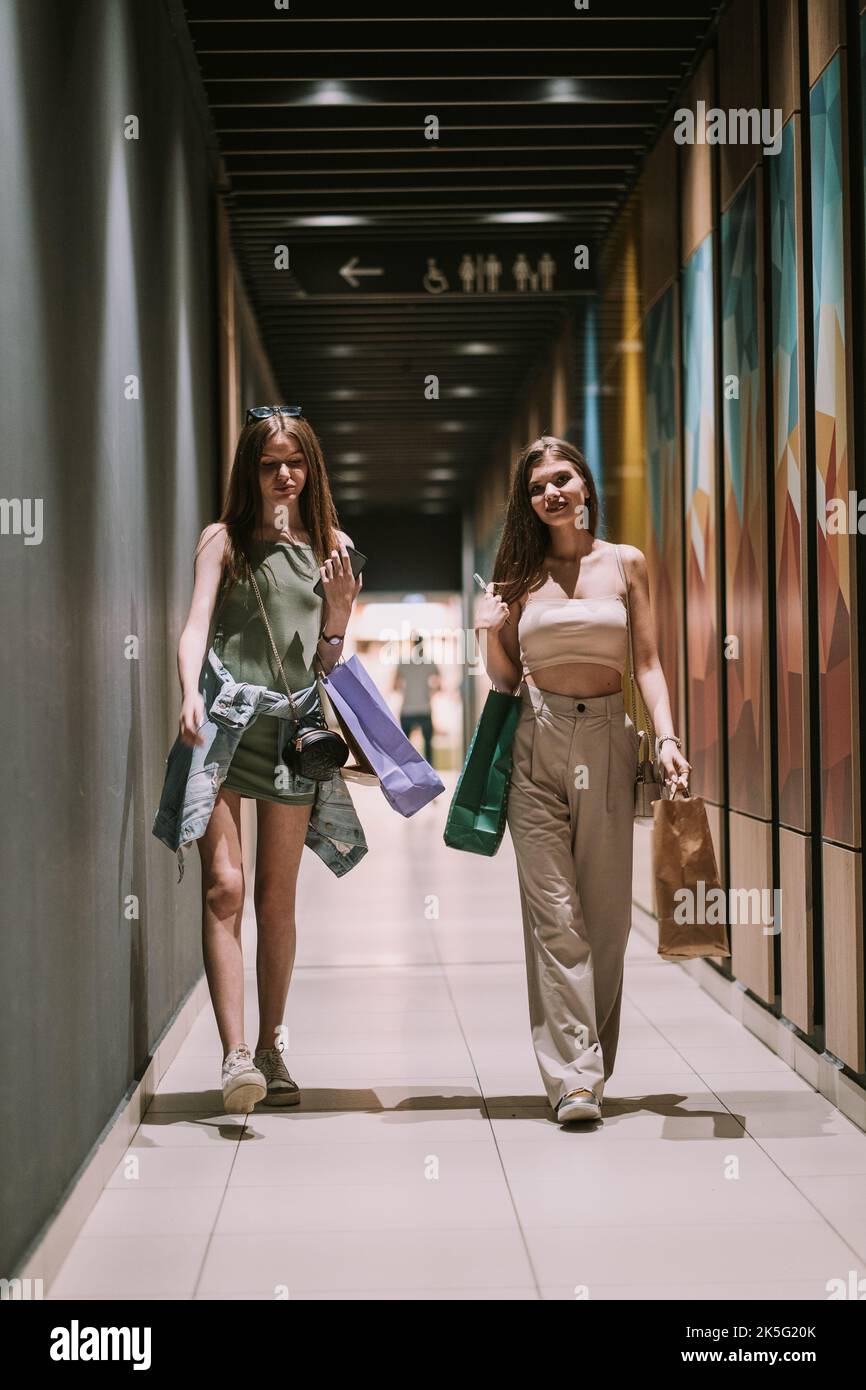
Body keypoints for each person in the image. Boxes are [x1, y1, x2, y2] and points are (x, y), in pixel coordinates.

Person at [474, 436, 690, 1126]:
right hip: (535, 742)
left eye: (562, 479)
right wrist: (487, 632)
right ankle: (575, 1079)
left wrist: (668, 737)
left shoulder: (625, 563)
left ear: (585, 484)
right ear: (529, 502)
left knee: (606, 919)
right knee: (555, 919)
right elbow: (506, 680)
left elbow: (649, 664)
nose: (552, 494)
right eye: (539, 487)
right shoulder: (518, 572)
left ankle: (587, 1057)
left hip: (607, 738)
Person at [154, 407, 363, 1114]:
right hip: (220, 727)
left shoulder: (334, 546)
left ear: (311, 469)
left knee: (277, 899)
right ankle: (234, 1054)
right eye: (270, 462)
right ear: (251, 468)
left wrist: (338, 611)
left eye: (294, 461)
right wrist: (189, 693)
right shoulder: (224, 540)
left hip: (292, 733)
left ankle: (272, 1046)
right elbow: (193, 627)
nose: (282, 474)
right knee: (223, 886)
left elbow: (329, 659)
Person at [395, 631, 438, 763]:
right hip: (424, 708)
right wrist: (430, 691)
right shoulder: (429, 663)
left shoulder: (403, 662)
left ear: (412, 644)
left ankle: (407, 775)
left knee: (406, 749)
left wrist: (405, 690)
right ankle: (430, 776)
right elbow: (439, 683)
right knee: (428, 748)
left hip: (407, 709)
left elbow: (395, 685)